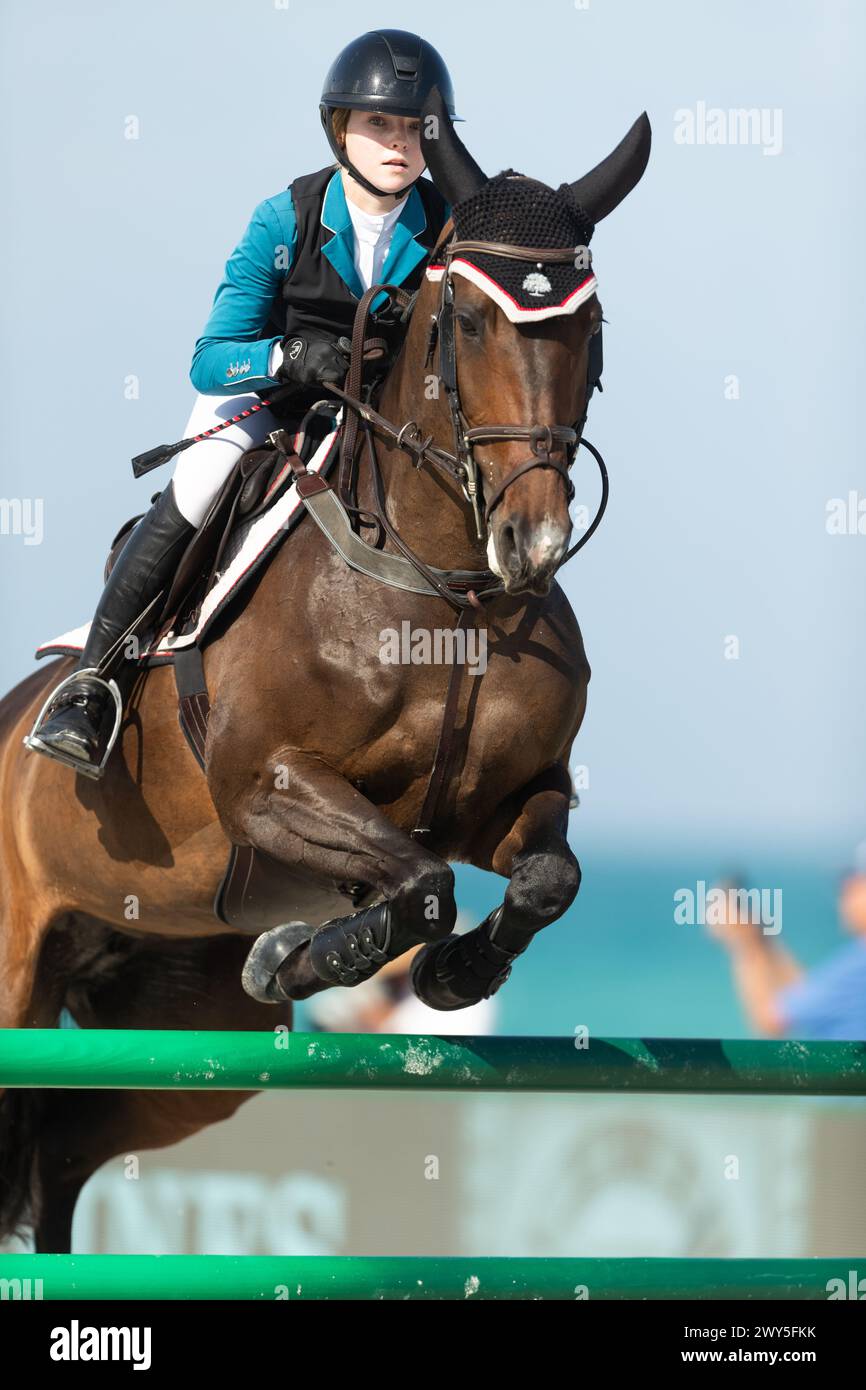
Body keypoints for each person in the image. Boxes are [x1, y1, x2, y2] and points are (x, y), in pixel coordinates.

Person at [25, 29, 454, 778]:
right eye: (380, 123)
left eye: (415, 127)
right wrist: (284, 355)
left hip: (379, 424)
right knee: (200, 482)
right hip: (266, 410)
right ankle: (92, 688)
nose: (399, 143)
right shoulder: (283, 220)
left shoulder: (444, 224)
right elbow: (210, 358)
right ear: (339, 129)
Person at [707, 854, 866, 1040]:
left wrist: (741, 941)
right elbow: (801, 992)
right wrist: (760, 936)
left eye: (853, 881)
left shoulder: (858, 967)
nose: (843, 892)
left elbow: (771, 1019)